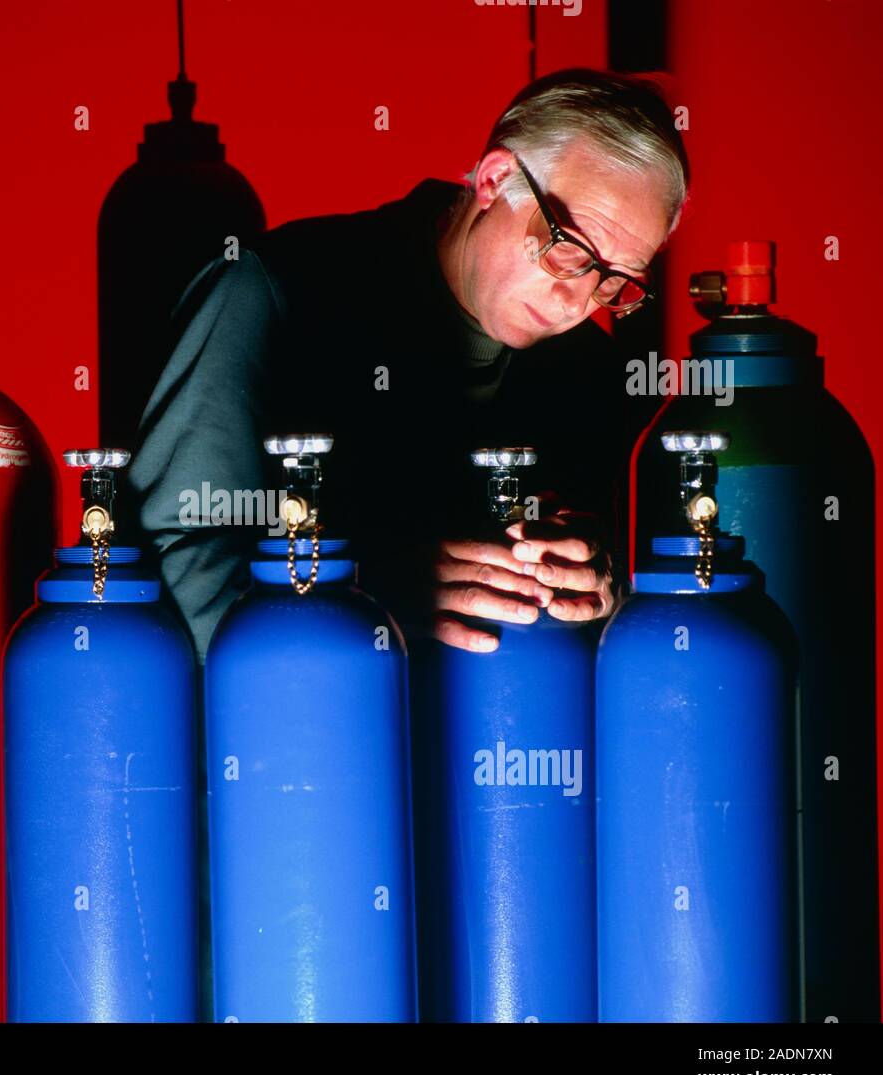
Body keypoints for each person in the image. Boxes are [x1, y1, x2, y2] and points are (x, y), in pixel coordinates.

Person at [124, 68, 689, 660]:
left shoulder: (591, 371)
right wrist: (369, 603)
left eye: (617, 280)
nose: (577, 301)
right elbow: (183, 566)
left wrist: (610, 583)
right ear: (496, 179)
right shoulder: (270, 295)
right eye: (570, 247)